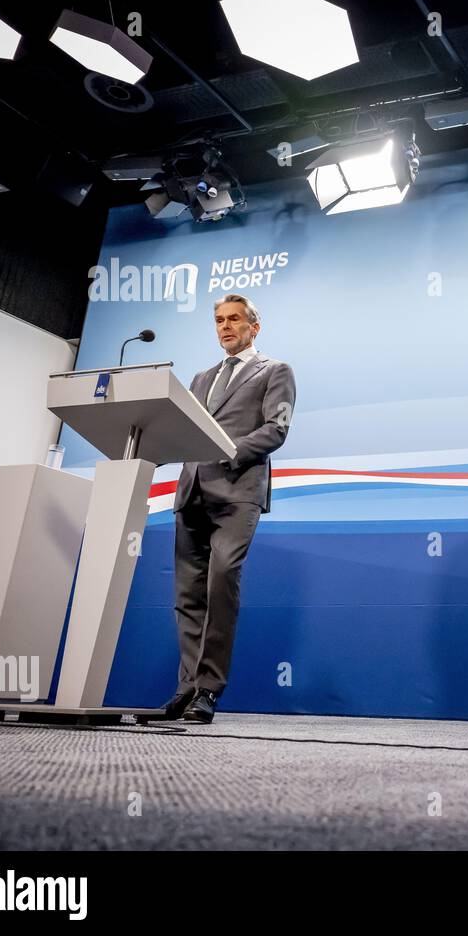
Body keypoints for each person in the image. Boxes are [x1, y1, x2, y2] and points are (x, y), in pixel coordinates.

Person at [164, 293, 295, 723]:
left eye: (235, 319)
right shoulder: (201, 378)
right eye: (219, 319)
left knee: (221, 581)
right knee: (187, 595)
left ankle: (209, 689)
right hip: (192, 491)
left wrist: (226, 450)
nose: (226, 326)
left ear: (254, 327)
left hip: (238, 491)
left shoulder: (275, 371)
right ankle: (186, 688)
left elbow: (276, 428)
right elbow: (184, 427)